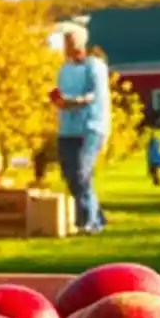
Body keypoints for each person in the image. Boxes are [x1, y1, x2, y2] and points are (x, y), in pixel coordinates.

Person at [51, 23, 110, 234]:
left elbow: (95, 94)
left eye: (70, 40)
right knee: (70, 174)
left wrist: (75, 101)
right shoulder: (64, 70)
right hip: (67, 127)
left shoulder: (94, 66)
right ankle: (97, 216)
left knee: (81, 172)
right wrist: (58, 101)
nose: (67, 45)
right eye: (65, 41)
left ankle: (87, 222)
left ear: (81, 42)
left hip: (90, 126)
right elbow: (60, 92)